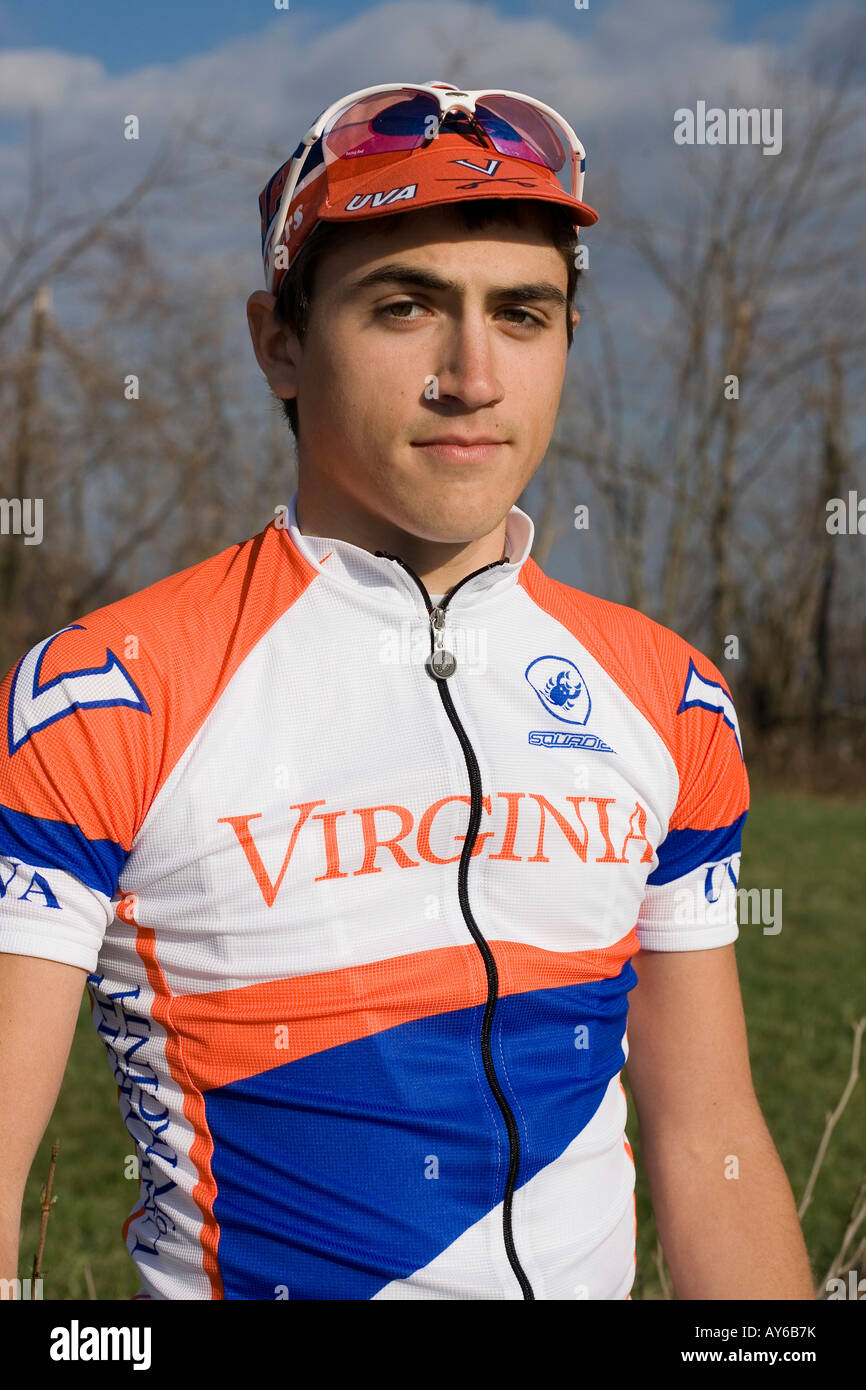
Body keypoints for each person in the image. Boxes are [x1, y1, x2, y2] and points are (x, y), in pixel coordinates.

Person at [0, 81, 814, 1301]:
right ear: (278, 338)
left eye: (523, 315)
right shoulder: (108, 692)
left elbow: (708, 1143)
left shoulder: (671, 695)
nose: (471, 376)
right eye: (404, 307)